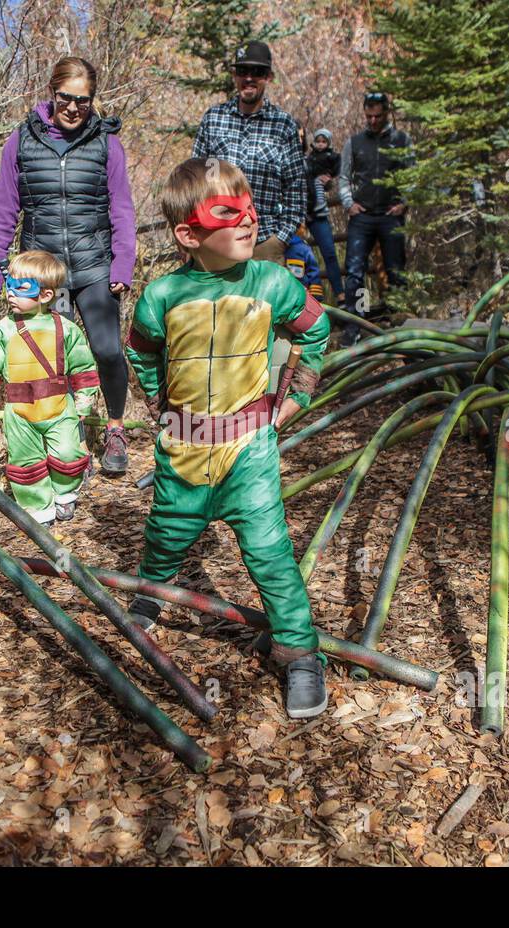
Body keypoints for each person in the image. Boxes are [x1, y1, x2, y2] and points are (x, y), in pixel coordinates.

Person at [124, 158, 331, 719]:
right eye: (227, 210)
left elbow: (316, 331)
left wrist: (293, 402)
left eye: (250, 207)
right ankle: (150, 596)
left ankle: (300, 652)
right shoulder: (161, 295)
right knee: (167, 532)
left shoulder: (273, 281)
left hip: (250, 452)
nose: (247, 219)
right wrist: (161, 410)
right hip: (183, 447)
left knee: (270, 554)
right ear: (189, 233)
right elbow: (142, 351)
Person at [0, 56, 137, 477]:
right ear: (52, 93)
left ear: (92, 101)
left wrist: (123, 263)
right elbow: (3, 209)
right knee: (55, 362)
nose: (73, 108)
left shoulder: (106, 143)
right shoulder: (22, 141)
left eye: (83, 102)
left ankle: (116, 429)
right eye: (66, 98)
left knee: (105, 351)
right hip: (46, 274)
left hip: (94, 267)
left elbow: (121, 207)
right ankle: (71, 440)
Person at [0, 251, 100, 528]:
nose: (11, 293)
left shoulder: (65, 328)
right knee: (26, 461)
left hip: (58, 405)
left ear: (44, 295)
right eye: (10, 285)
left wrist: (83, 402)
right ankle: (38, 510)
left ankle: (65, 493)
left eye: (21, 288)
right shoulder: (3, 331)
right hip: (18, 411)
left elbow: (83, 366)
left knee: (68, 454)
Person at [191, 41, 308, 267]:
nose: (249, 78)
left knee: (265, 304)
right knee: (217, 304)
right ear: (234, 75)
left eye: (257, 72)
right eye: (242, 71)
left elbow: (296, 188)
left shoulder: (283, 126)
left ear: (268, 77)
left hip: (264, 243)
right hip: (217, 239)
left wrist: (280, 239)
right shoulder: (214, 119)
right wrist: (198, 231)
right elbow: (195, 181)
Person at [338, 92, 413, 345]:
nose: (372, 121)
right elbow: (344, 176)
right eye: (368, 116)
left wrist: (404, 203)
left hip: (391, 215)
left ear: (386, 114)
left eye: (377, 116)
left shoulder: (402, 140)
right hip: (363, 215)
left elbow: (412, 174)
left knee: (396, 269)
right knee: (355, 269)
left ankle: (399, 320)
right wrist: (349, 203)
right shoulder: (355, 142)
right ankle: (354, 324)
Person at [305, 129, 343, 300]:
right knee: (299, 256)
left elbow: (333, 175)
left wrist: (329, 181)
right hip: (299, 213)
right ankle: (308, 300)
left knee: (329, 253)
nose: (320, 144)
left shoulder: (328, 158)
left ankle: (340, 295)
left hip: (318, 212)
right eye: (318, 141)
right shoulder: (306, 160)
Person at [285, 224, 323, 299]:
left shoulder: (279, 248)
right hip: (303, 294)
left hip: (286, 293)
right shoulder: (305, 249)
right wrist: (316, 296)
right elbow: (314, 272)